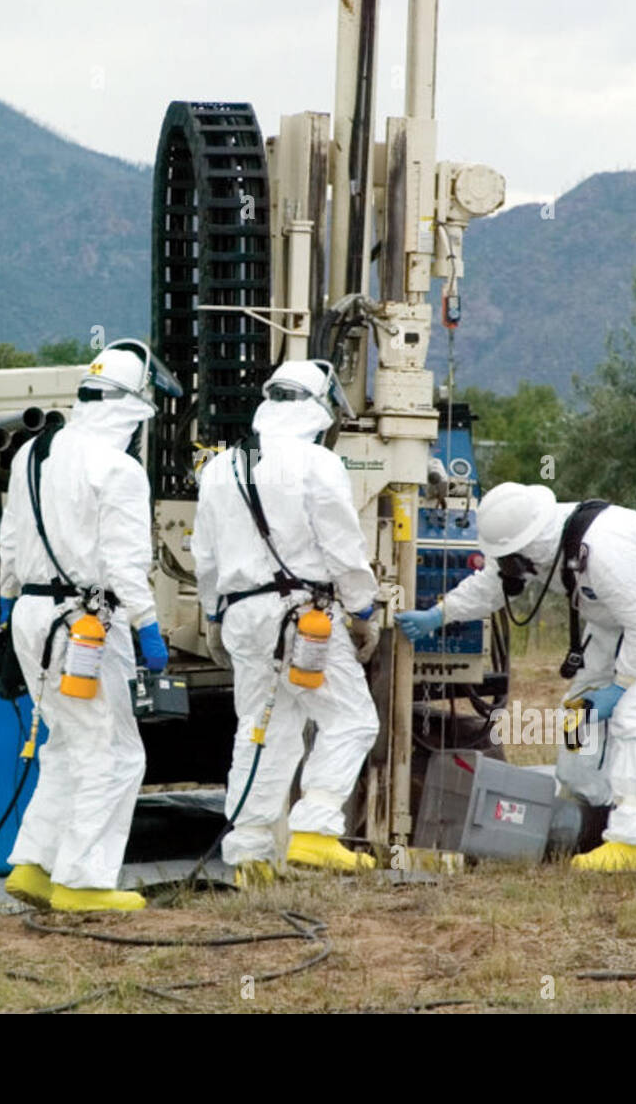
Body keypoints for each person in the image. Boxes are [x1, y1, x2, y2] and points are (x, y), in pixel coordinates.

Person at [395, 482, 636, 872]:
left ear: (526, 545)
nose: (507, 566)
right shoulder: (534, 544)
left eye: (509, 557)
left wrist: (622, 685)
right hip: (613, 609)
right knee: (579, 711)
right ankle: (584, 810)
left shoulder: (605, 550)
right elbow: (493, 584)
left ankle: (631, 841)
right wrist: (440, 614)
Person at [0, 339, 178, 912]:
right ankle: (84, 882)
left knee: (66, 745)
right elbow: (125, 565)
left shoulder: (31, 453)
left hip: (29, 616)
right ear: (130, 407)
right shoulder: (118, 468)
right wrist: (149, 627)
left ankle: (35, 866)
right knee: (115, 752)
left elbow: (8, 541)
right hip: (85, 624)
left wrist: (8, 607)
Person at [191, 359, 382, 886]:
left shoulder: (220, 467)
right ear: (318, 409)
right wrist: (363, 606)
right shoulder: (318, 463)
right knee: (350, 720)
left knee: (261, 730)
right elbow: (343, 548)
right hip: (302, 617)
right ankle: (316, 832)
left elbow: (203, 555)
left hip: (242, 617)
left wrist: (212, 614)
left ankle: (250, 851)